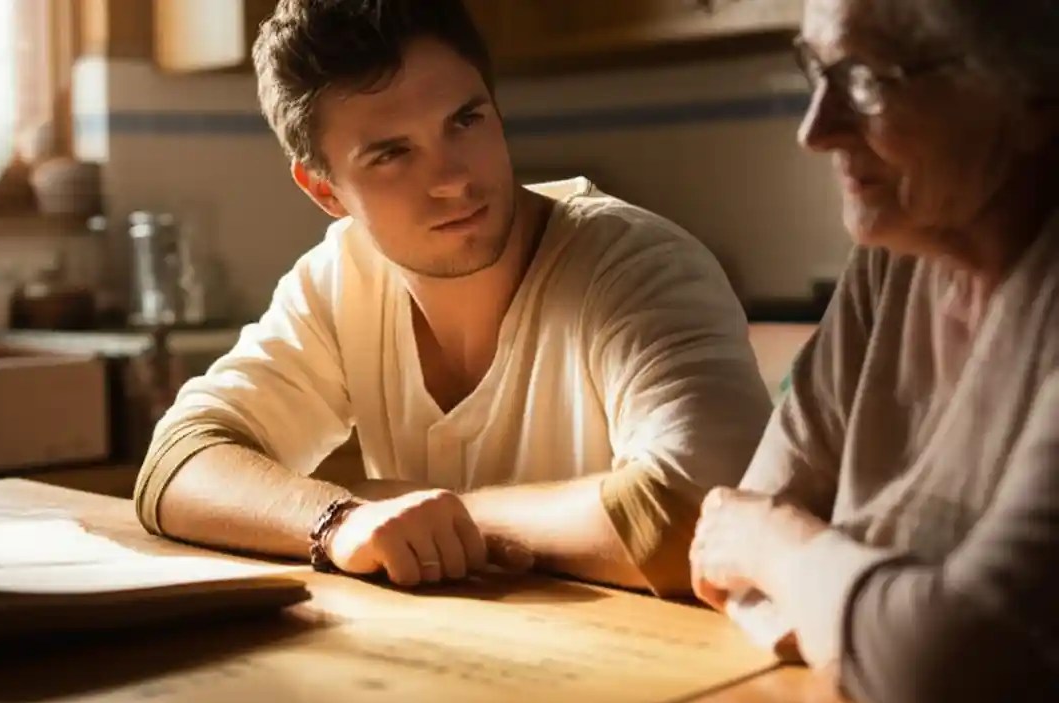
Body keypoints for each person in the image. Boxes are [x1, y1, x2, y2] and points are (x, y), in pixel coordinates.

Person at [135, 0, 771, 595]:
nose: (453, 179)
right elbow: (177, 462)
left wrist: (429, 515)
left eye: (465, 121)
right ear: (324, 192)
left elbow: (701, 516)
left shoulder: (638, 268)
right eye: (392, 154)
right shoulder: (338, 280)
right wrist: (340, 521)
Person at [689, 0, 1059, 703]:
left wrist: (782, 547)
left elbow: (953, 667)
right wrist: (867, 610)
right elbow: (725, 554)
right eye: (818, 71)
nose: (814, 131)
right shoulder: (896, 253)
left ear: (1034, 93)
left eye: (866, 80)